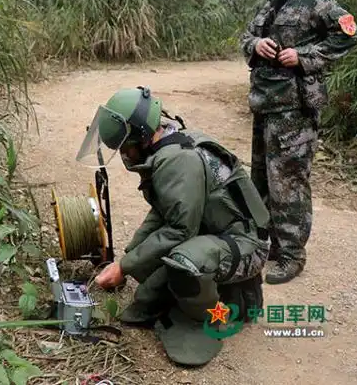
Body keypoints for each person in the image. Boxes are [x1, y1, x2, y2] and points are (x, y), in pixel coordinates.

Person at [78, 87, 270, 367]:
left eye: (124, 146)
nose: (124, 154)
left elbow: (181, 230)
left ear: (141, 137)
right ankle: (211, 288)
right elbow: (164, 212)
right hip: (217, 231)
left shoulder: (177, 160)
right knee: (141, 264)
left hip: (246, 244)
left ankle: (226, 309)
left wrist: (123, 267)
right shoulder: (167, 142)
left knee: (183, 263)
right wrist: (130, 259)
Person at [240, 0, 357, 284]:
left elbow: (349, 34)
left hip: (294, 110)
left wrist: (305, 56)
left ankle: (291, 255)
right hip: (265, 105)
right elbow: (246, 36)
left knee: (288, 183)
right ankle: (266, 246)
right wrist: (256, 43)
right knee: (261, 180)